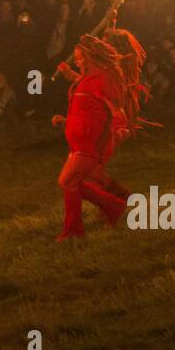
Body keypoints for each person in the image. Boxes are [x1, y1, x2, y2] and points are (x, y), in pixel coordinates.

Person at [52, 35, 134, 240]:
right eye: (77, 59)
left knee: (68, 181)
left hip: (91, 144)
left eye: (81, 58)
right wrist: (65, 121)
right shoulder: (87, 80)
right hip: (78, 143)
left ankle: (74, 230)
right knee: (76, 181)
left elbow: (116, 108)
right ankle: (114, 205)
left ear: (91, 57)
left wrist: (119, 127)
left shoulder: (103, 79)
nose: (78, 62)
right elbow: (85, 109)